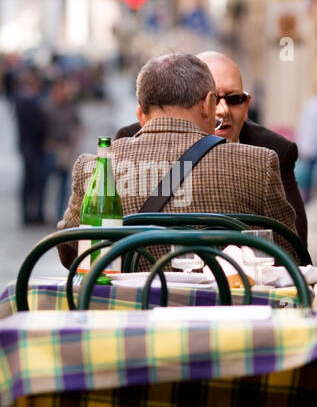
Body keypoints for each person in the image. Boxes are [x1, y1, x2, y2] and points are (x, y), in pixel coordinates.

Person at [58, 52, 298, 266]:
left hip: (127, 311)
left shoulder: (96, 168)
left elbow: (70, 253)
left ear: (141, 112)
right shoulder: (258, 164)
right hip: (226, 311)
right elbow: (291, 256)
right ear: (208, 105)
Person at [114, 50, 308, 245]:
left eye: (233, 99)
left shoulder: (271, 154)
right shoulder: (129, 141)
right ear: (207, 104)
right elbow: (291, 258)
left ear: (247, 103)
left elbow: (295, 246)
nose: (222, 111)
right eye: (216, 100)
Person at [42, 76, 81, 220]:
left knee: (64, 184)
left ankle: (60, 214)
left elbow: (78, 125)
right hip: (51, 148)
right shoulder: (46, 106)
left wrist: (74, 142)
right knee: (46, 182)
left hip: (65, 148)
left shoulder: (70, 106)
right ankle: (43, 212)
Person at [13, 67, 49, 225]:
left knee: (31, 181)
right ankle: (29, 214)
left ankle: (30, 213)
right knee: (32, 181)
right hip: (32, 147)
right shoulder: (28, 100)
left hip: (27, 146)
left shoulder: (23, 99)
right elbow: (37, 125)